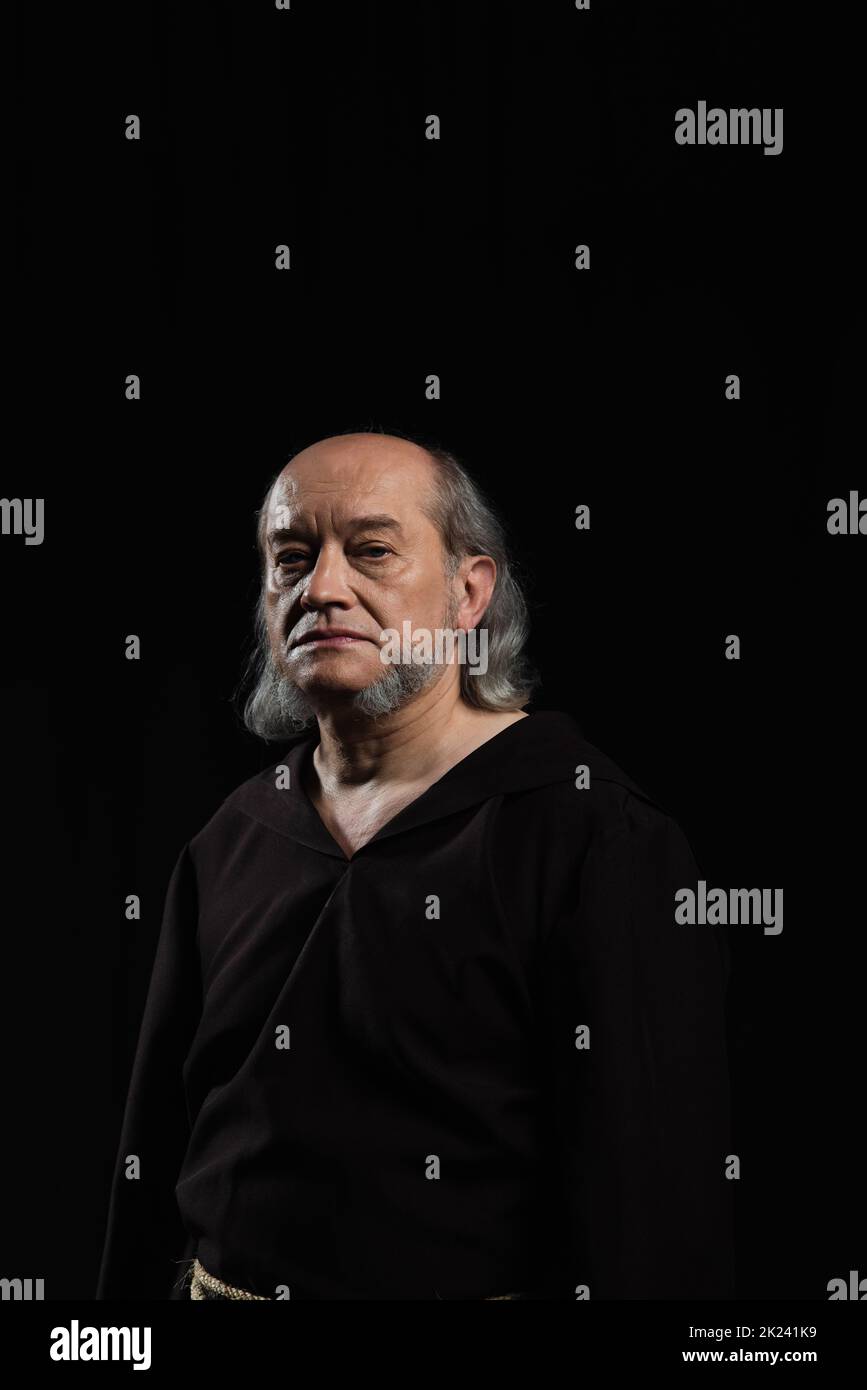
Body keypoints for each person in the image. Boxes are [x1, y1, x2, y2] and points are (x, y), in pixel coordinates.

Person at [96, 429, 734, 1300]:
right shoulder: (232, 839)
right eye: (291, 557)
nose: (322, 588)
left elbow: (653, 1212)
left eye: (371, 551)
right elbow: (152, 1161)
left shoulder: (591, 835)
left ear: (468, 594)